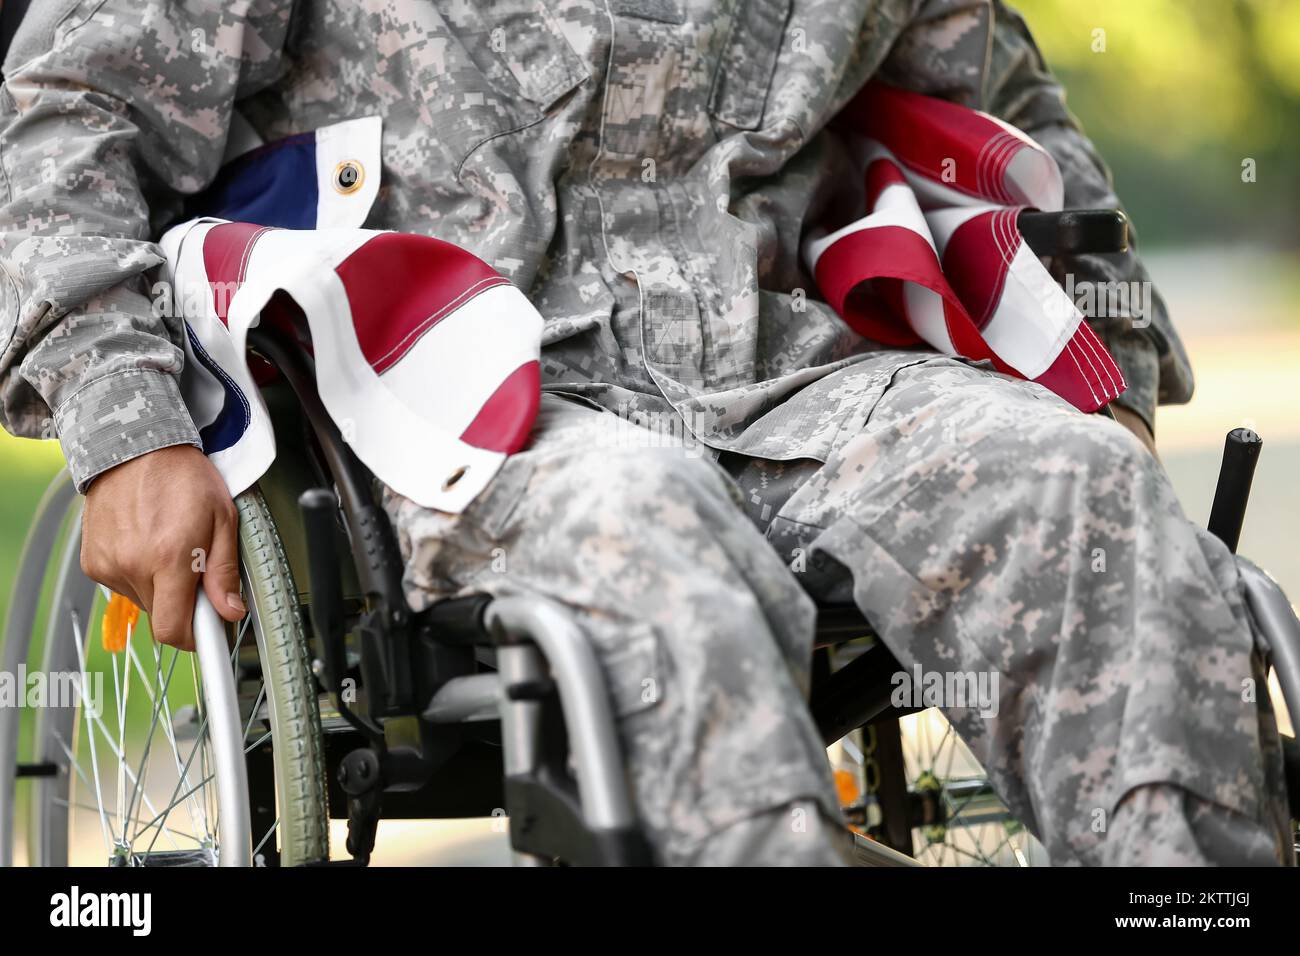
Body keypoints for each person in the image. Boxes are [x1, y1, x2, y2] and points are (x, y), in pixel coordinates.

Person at [0, 0, 1290, 865]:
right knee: (649, 533)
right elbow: (64, 114)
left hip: (790, 369)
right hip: (454, 393)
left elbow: (1012, 113)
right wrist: (125, 425)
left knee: (1079, 489)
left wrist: (1107, 370)